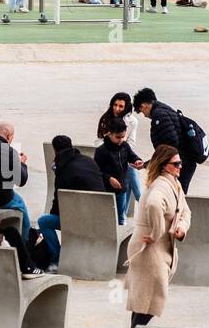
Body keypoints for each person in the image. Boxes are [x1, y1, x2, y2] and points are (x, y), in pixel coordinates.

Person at [118, 145, 191, 328]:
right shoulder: (160, 186)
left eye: (180, 163)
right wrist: (157, 230)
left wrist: (181, 229)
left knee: (144, 297)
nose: (180, 167)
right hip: (148, 246)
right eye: (175, 164)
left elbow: (186, 211)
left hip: (157, 247)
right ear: (164, 165)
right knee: (153, 297)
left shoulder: (174, 184)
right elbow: (151, 204)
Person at [36, 135, 106, 270]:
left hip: (79, 221)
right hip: (101, 217)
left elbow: (58, 199)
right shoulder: (88, 161)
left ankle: (57, 259)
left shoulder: (62, 168)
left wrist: (53, 214)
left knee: (44, 221)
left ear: (55, 150)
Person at [131, 88, 206, 193]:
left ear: (144, 105)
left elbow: (168, 149)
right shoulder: (166, 109)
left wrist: (147, 165)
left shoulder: (159, 116)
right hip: (184, 163)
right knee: (177, 197)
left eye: (141, 111)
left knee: (173, 198)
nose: (144, 115)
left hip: (178, 165)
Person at [96, 91, 143, 206]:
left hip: (124, 155)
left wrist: (123, 149)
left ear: (126, 107)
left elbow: (131, 142)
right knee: (129, 175)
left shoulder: (132, 122)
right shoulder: (105, 119)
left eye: (121, 106)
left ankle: (138, 203)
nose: (117, 108)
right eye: (115, 105)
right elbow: (98, 140)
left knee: (129, 171)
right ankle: (141, 204)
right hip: (108, 155)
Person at [95, 117, 144, 226]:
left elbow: (132, 156)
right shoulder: (101, 151)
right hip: (106, 191)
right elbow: (97, 171)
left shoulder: (125, 146)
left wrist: (137, 161)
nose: (121, 140)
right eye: (118, 137)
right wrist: (109, 179)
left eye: (123, 137)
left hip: (122, 189)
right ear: (109, 133)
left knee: (121, 218)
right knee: (108, 219)